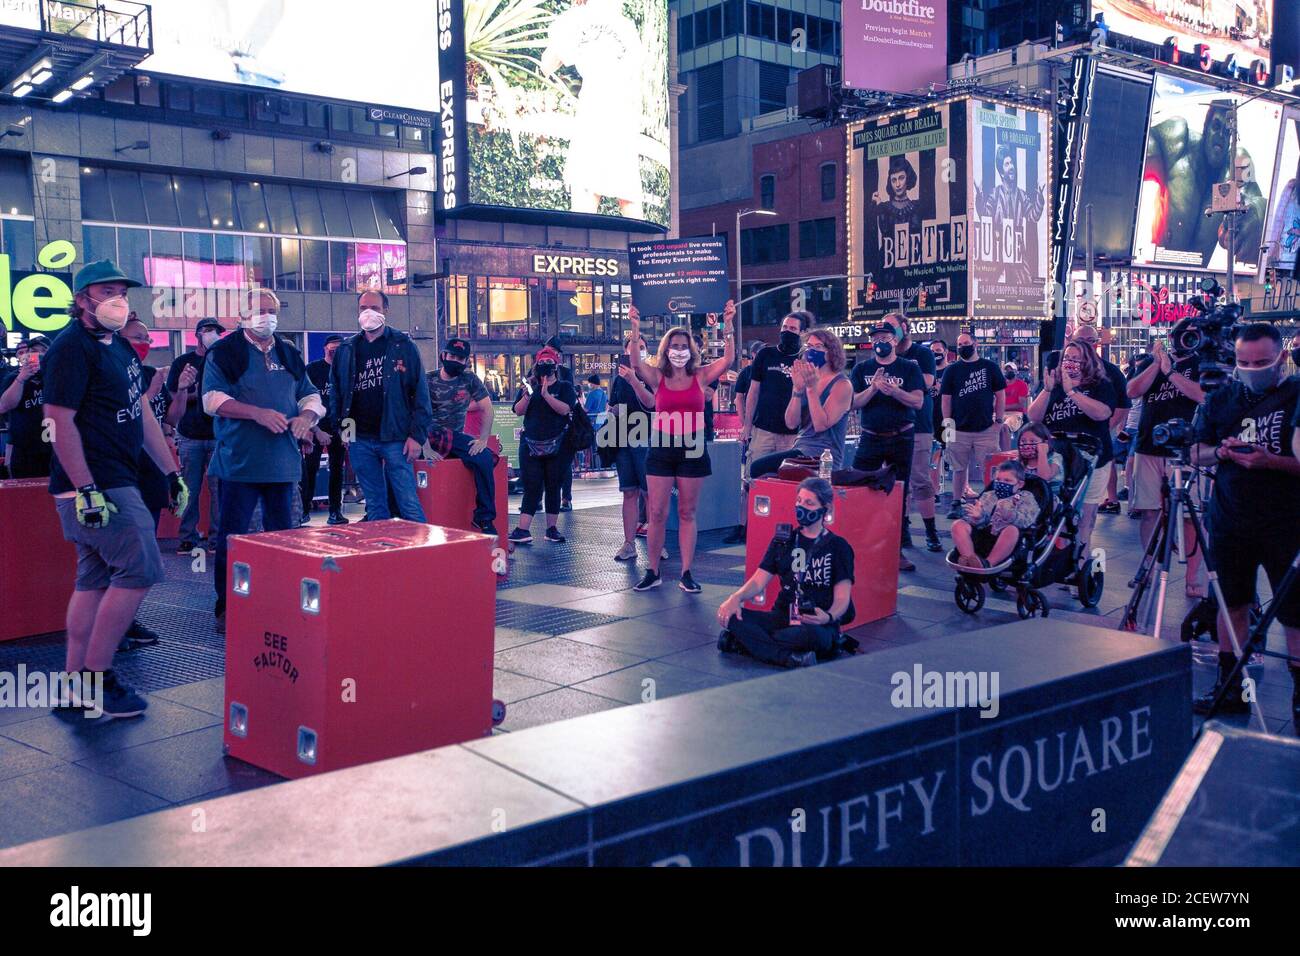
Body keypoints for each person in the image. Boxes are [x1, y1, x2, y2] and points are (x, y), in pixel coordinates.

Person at [42, 259, 188, 719]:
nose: (117, 300)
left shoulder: (120, 349)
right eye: (106, 292)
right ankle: (96, 678)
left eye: (122, 292)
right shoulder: (70, 349)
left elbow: (142, 412)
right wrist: (86, 488)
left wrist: (170, 470)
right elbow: (58, 421)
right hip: (99, 485)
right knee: (139, 570)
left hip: (112, 481)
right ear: (82, 299)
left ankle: (73, 684)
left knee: (93, 581)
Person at [1192, 324, 1300, 727]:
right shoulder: (1223, 397)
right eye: (1243, 363)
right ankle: (1230, 684)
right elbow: (1194, 449)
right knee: (1231, 602)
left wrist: (1270, 462)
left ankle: (1298, 696)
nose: (1251, 369)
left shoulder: (1295, 395)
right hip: (1230, 518)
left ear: (1280, 358)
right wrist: (1219, 451)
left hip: (1285, 522)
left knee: (1294, 613)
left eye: (1260, 363)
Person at [204, 288, 325, 633]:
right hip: (239, 462)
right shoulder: (224, 352)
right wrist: (255, 413)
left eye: (271, 310)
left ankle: (280, 600)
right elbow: (212, 400)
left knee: (283, 538)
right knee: (234, 537)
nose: (266, 316)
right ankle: (226, 607)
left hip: (283, 463)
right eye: (258, 310)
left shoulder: (289, 352)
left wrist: (307, 417)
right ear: (242, 314)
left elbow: (312, 394)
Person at [628, 300, 736, 593]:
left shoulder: (700, 376)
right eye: (673, 344)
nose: (678, 349)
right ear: (666, 348)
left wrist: (728, 324)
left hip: (692, 446)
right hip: (662, 446)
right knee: (658, 513)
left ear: (691, 349)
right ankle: (653, 570)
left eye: (683, 344)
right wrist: (635, 329)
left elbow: (727, 360)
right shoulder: (658, 376)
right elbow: (636, 363)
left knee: (688, 512)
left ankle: (687, 573)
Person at [715, 477, 854, 668]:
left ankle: (743, 643)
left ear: (826, 508)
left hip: (815, 622)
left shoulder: (838, 546)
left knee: (809, 636)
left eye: (809, 503)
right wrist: (735, 598)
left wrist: (828, 617)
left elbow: (842, 598)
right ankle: (789, 657)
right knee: (731, 617)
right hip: (781, 617)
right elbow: (758, 581)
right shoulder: (784, 540)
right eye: (799, 501)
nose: (801, 507)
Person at [328, 290, 430, 522]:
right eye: (364, 307)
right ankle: (382, 554)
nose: (369, 312)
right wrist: (346, 433)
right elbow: (338, 393)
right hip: (360, 440)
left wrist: (417, 436)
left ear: (386, 310)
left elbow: (421, 393)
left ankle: (422, 556)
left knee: (408, 502)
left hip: (396, 438)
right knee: (374, 505)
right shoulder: (347, 348)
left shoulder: (403, 345)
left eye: (374, 307)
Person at [1126, 339, 1206, 597]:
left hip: (1186, 448)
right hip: (1148, 445)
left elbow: (1202, 395)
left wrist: (1171, 372)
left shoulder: (1200, 363)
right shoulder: (1151, 363)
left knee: (1189, 516)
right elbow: (1132, 391)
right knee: (1149, 510)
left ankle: (1193, 576)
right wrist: (1157, 363)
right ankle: (1149, 566)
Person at [1026, 338, 1117, 562]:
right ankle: (1058, 559)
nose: (1070, 363)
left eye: (1076, 359)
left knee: (1085, 515)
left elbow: (1102, 414)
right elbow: (1033, 418)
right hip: (1059, 456)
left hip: (1093, 457)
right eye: (1067, 358)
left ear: (1087, 361)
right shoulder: (1054, 384)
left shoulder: (1101, 385)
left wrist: (1073, 392)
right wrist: (1047, 390)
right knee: (1058, 512)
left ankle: (1080, 561)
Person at [850, 321, 925, 572]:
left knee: (899, 493)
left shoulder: (909, 368)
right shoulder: (862, 369)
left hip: (901, 436)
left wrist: (895, 392)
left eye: (885, 337)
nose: (880, 342)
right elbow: (854, 403)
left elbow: (917, 402)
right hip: (870, 436)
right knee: (858, 486)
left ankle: (898, 548)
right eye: (875, 338)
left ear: (895, 341)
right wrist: (873, 389)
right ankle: (858, 543)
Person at [736, 311, 814, 542]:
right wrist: (746, 425)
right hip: (762, 429)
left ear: (801, 332)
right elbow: (753, 392)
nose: (787, 331)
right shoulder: (766, 355)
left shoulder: (805, 361)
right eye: (784, 327)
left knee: (787, 482)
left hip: (791, 435)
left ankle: (783, 526)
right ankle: (745, 527)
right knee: (752, 479)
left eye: (792, 329)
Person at [748, 328, 853, 476]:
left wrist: (811, 389)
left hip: (822, 456)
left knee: (759, 468)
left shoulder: (842, 385)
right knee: (762, 472)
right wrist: (797, 390)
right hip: (800, 449)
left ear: (831, 352)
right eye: (809, 346)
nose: (812, 351)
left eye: (818, 347)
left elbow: (820, 425)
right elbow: (791, 422)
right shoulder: (807, 378)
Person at [427, 337, 498, 535]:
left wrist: (483, 439)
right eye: (452, 356)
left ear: (466, 361)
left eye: (461, 358)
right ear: (444, 356)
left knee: (484, 457)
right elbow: (416, 415)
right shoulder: (428, 379)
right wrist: (424, 446)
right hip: (429, 434)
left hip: (454, 439)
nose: (456, 361)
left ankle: (484, 517)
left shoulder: (469, 379)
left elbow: (487, 408)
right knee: (432, 428)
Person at [165, 317, 224, 552]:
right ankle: (187, 536)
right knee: (190, 488)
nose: (213, 335)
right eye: (209, 330)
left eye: (217, 331)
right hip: (190, 435)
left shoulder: (221, 360)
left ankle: (216, 538)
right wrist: (195, 395)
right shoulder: (184, 362)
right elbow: (172, 396)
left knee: (219, 489)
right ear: (197, 334)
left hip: (217, 434)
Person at [509, 346, 577, 545]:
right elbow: (518, 411)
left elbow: (566, 409)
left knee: (553, 485)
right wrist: (529, 393)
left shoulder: (564, 387)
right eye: (542, 363)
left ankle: (552, 528)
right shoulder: (529, 387)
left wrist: (547, 395)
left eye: (549, 363)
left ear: (556, 366)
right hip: (531, 444)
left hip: (557, 444)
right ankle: (523, 529)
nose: (545, 367)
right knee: (531, 485)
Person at [886, 314, 941, 553]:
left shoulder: (922, 353)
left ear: (904, 328)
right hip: (891, 425)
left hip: (918, 424)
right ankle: (902, 530)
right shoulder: (886, 355)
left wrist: (898, 386)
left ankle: (931, 531)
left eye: (892, 327)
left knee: (919, 478)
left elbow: (927, 382)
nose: (888, 332)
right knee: (898, 482)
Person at [940, 332, 1006, 517]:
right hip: (958, 428)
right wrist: (948, 426)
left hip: (985, 428)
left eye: (966, 343)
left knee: (990, 468)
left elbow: (1000, 395)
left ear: (975, 344)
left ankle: (993, 503)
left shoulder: (990, 367)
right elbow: (946, 400)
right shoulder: (952, 370)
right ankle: (956, 502)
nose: (963, 347)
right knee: (958, 467)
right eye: (960, 344)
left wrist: (999, 421)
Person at [1073, 324, 1132, 514]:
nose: (1082, 346)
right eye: (1078, 342)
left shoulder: (1110, 371)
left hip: (1101, 429)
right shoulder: (1066, 369)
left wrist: (1108, 426)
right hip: (1072, 433)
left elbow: (1124, 404)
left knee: (1106, 460)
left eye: (1087, 341)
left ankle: (1112, 498)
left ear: (1095, 343)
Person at [609, 334, 658, 562]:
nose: (635, 353)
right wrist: (613, 412)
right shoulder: (619, 379)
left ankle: (656, 543)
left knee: (650, 493)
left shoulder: (652, 375)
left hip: (646, 437)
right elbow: (612, 405)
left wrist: (634, 381)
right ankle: (629, 543)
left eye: (640, 348)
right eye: (631, 349)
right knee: (629, 492)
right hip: (623, 438)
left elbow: (652, 402)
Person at [951, 460, 1040, 569]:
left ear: (1020, 484)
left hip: (1006, 538)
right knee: (958, 525)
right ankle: (970, 558)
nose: (1002, 483)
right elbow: (981, 522)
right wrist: (978, 517)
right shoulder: (988, 495)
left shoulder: (1025, 498)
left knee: (1012, 530)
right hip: (984, 534)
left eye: (1007, 480)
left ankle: (988, 563)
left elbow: (1028, 520)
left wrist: (1012, 516)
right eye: (998, 480)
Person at [301, 334, 348, 526]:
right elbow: (303, 399)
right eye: (332, 348)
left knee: (338, 469)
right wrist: (313, 430)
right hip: (315, 424)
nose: (334, 352)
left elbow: (350, 404)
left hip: (340, 426)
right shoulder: (312, 369)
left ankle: (335, 512)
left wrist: (348, 434)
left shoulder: (347, 371)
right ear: (325, 348)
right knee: (309, 469)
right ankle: (304, 510)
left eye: (339, 349)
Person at [721, 342, 762, 544]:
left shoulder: (753, 371)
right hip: (755, 429)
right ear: (753, 355)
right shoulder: (747, 372)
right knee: (748, 482)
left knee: (755, 480)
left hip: (767, 429)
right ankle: (743, 526)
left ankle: (750, 525)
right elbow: (739, 398)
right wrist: (746, 424)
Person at [0, 334, 52, 478]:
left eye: (42, 350)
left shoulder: (56, 375)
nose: (37, 354)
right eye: (33, 350)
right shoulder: (13, 377)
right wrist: (22, 378)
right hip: (24, 448)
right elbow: (3, 406)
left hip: (54, 447)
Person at [543, 334, 577, 512]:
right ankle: (538, 499)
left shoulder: (564, 373)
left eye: (553, 351)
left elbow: (570, 398)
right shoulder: (537, 370)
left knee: (565, 464)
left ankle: (566, 498)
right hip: (543, 424)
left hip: (562, 424)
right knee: (540, 462)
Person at [1015, 422, 1063, 499]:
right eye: (1023, 441)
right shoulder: (1018, 461)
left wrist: (1042, 453)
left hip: (1049, 499)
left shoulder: (1054, 458)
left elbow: (1044, 478)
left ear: (1045, 442)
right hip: (1024, 498)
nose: (1027, 445)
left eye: (1033, 441)